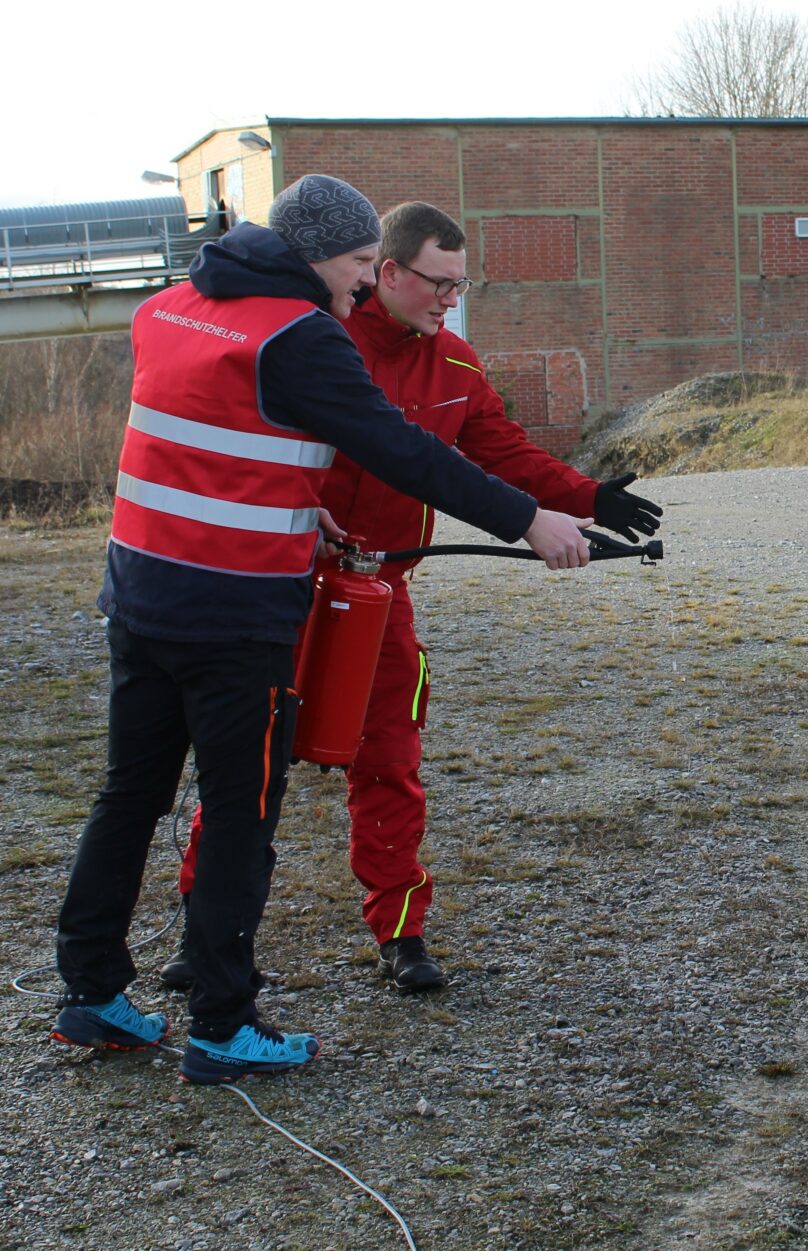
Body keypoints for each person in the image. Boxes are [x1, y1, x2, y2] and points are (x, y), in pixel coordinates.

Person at [50, 176, 596, 1084]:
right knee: (239, 811)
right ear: (316, 255)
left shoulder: (170, 309)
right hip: (235, 618)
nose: (357, 285)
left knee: (127, 798)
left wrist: (306, 515)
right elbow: (403, 448)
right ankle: (223, 1024)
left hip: (141, 597)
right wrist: (528, 520)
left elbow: (212, 442)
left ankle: (92, 992)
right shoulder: (299, 335)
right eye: (352, 265)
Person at [163, 201, 662, 992]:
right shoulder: (312, 341)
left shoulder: (455, 365)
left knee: (390, 758)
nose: (447, 301)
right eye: (436, 282)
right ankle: (204, 933)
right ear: (386, 272)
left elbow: (501, 451)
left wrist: (590, 497)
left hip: (381, 589)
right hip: (280, 584)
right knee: (244, 766)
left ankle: (402, 931)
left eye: (460, 286)